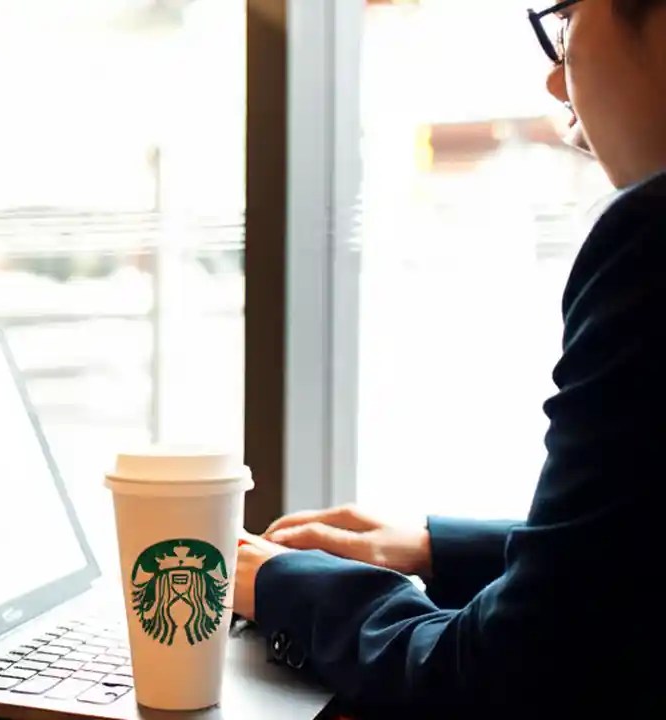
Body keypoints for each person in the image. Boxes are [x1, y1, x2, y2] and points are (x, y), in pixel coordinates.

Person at [231, 0, 666, 715]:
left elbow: (501, 677)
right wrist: (435, 550)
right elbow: (634, 560)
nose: (558, 83)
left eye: (565, 22)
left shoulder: (652, 243)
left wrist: (286, 586)